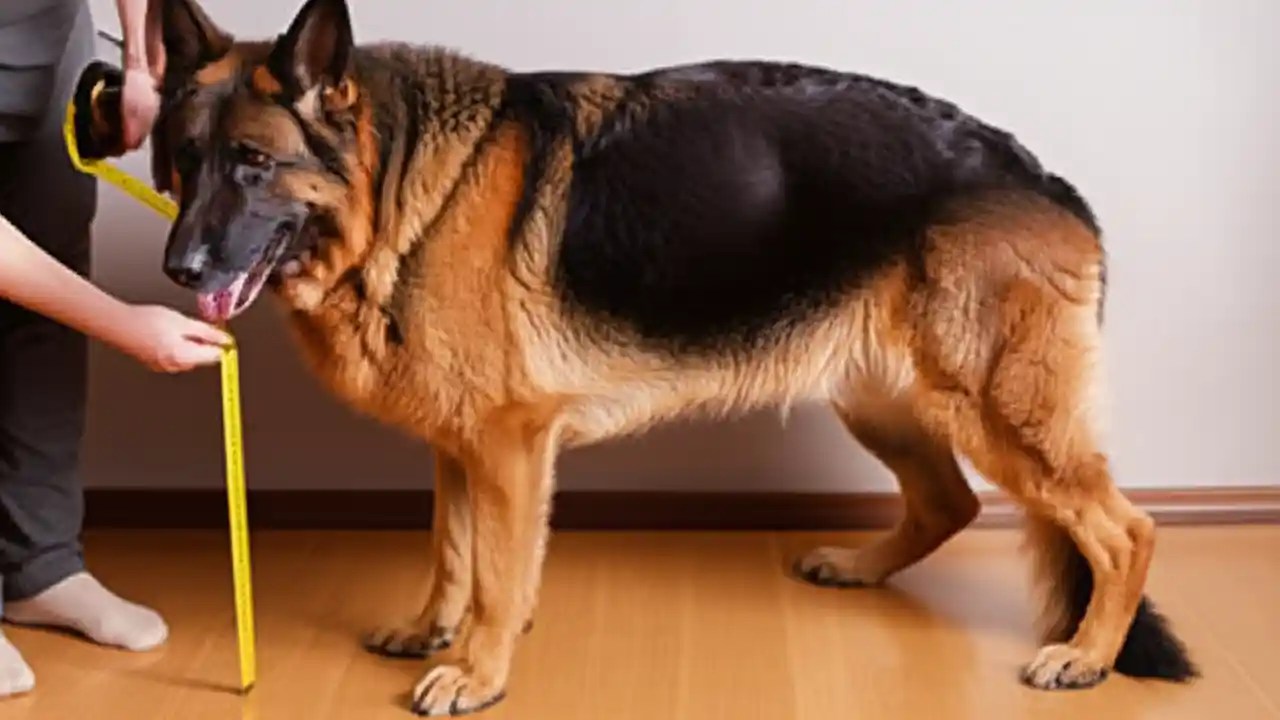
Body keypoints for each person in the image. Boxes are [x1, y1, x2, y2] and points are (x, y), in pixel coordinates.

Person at [0, 0, 227, 697]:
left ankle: (39, 567)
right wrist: (124, 324)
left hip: (40, 29)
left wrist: (137, 53)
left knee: (53, 261)